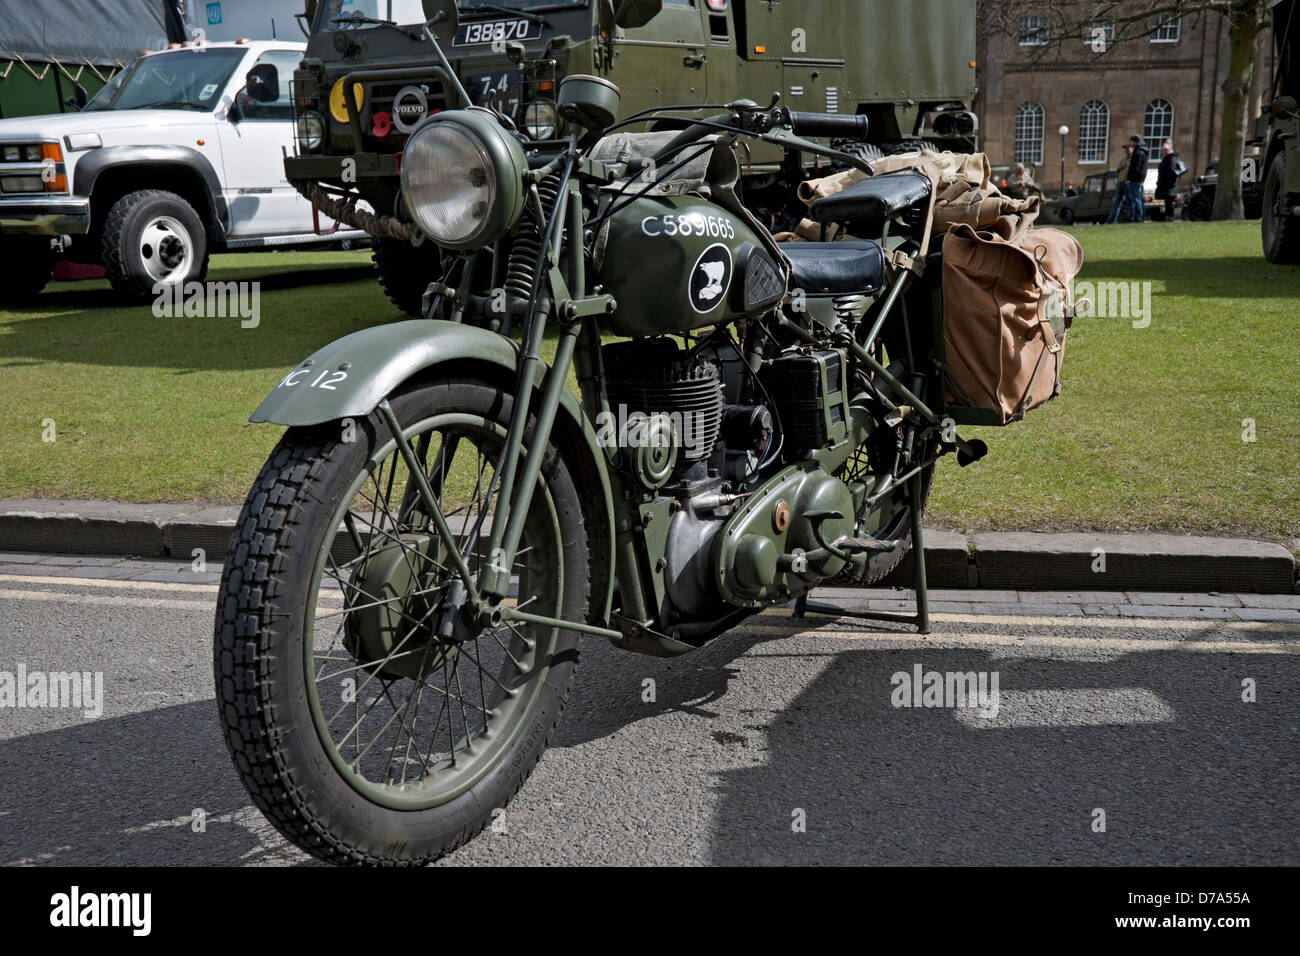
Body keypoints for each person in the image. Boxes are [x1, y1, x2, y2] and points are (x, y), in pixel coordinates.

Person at [1155, 139, 1185, 220]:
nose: (1163, 151)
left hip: (1169, 185)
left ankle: (1170, 217)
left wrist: (1166, 179)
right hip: (1166, 184)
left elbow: (1171, 172)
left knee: (1169, 202)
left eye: (1165, 150)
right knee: (1167, 202)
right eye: (1163, 150)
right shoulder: (1167, 158)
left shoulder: (1171, 158)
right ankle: (1168, 216)